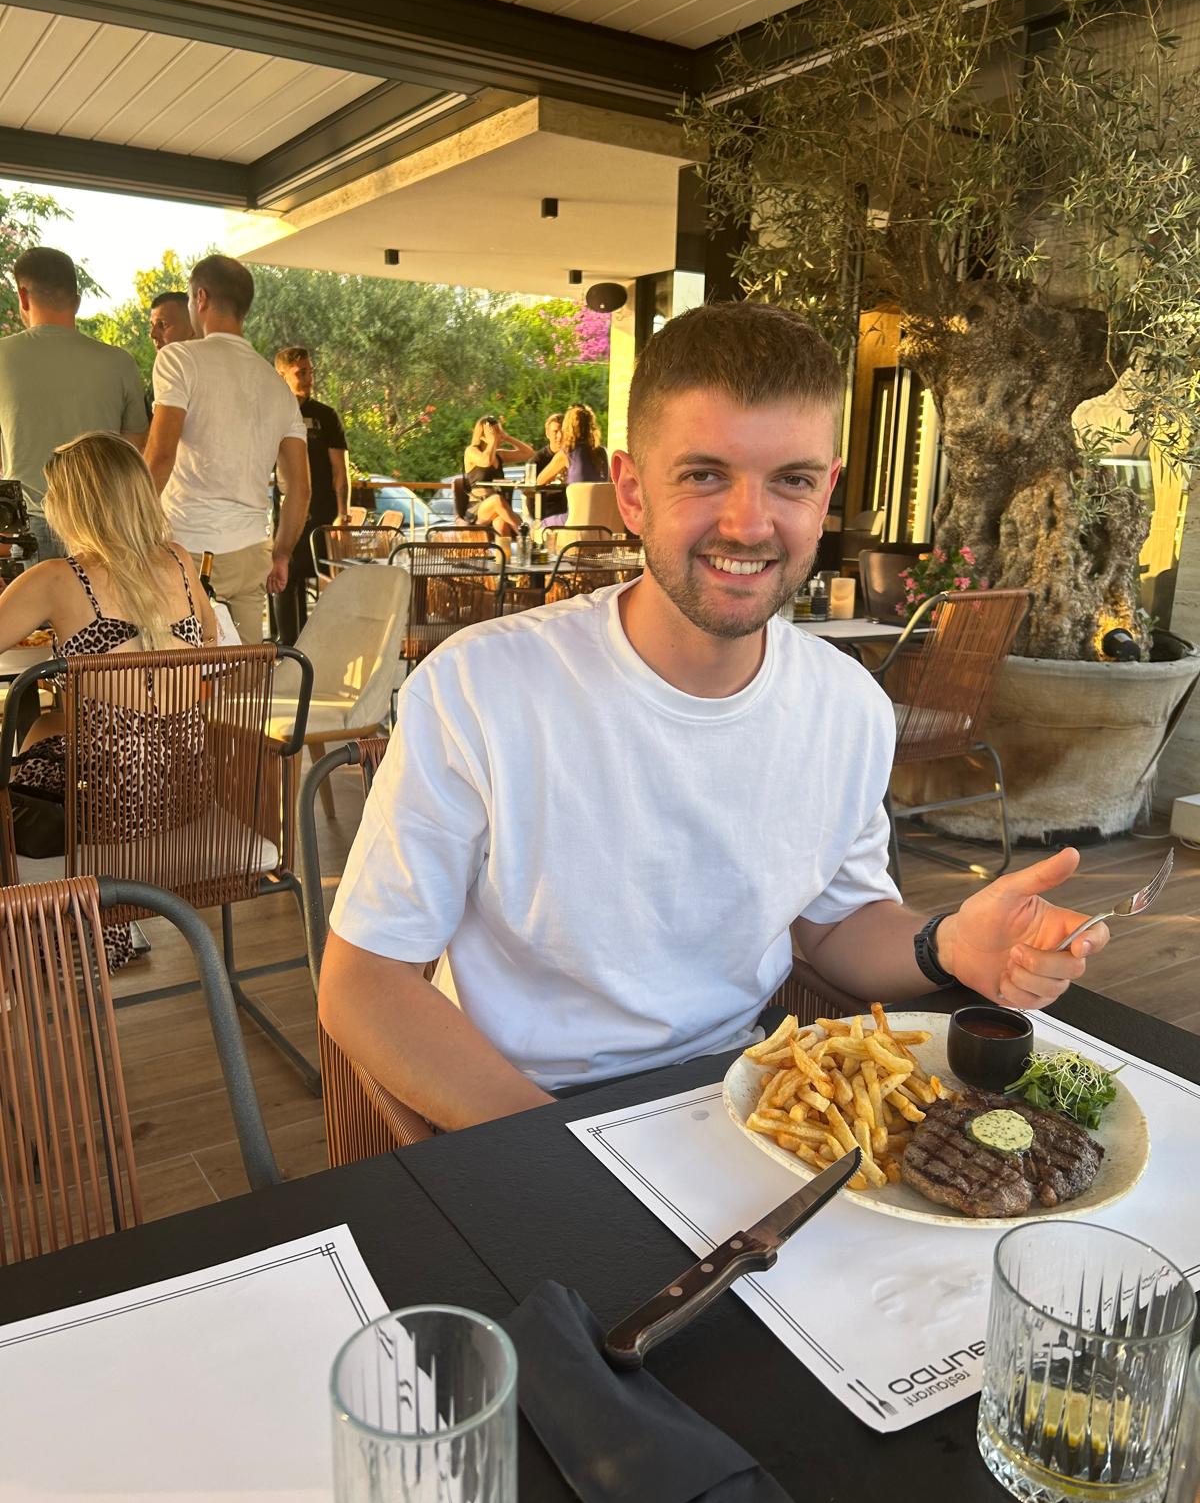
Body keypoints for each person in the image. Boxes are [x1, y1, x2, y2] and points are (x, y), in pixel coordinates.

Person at [320, 302, 1110, 1135]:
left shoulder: (846, 709)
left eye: (792, 480)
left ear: (827, 492)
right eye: (703, 474)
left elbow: (839, 922)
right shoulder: (482, 687)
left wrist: (944, 944)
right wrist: (572, 1163)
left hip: (745, 1100)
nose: (749, 523)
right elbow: (364, 982)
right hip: (521, 1115)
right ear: (631, 490)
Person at [0, 431, 216, 967]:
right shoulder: (181, 560)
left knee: (18, 778)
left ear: (75, 504)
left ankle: (65, 927)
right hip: (187, 792)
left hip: (112, 806)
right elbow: (211, 651)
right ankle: (90, 920)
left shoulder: (56, 577)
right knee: (48, 731)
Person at [144, 255, 310, 644]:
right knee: (244, 687)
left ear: (200, 299)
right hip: (253, 551)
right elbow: (299, 489)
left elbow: (160, 456)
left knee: (183, 684)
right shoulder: (277, 387)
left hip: (189, 548)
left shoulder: (178, 359)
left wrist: (124, 531)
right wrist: (282, 553)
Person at [0, 248, 148, 561]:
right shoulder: (120, 363)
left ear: (23, 297)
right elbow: (133, 447)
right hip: (103, 525)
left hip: (27, 527)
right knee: (101, 610)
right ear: (77, 301)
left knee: (33, 611)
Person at [272, 345, 349, 644]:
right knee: (283, 576)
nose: (308, 377)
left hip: (323, 513)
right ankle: (288, 647)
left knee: (320, 578)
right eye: (300, 372)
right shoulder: (274, 413)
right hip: (286, 512)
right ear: (282, 376)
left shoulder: (326, 416)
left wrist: (343, 513)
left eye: (310, 371)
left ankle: (321, 645)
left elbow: (340, 470)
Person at [533, 402, 609, 529]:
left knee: (536, 527)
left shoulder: (566, 454)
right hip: (601, 522)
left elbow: (539, 481)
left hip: (575, 521)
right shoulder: (602, 453)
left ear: (567, 427)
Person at [461, 415, 533, 537]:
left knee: (501, 523)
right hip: (477, 508)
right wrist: (492, 441)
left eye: (499, 432)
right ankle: (527, 537)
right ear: (483, 435)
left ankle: (505, 555)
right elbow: (486, 461)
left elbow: (529, 453)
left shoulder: (499, 455)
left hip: (497, 506)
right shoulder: (471, 451)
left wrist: (507, 437)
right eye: (494, 432)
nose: (498, 436)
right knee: (497, 500)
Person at [525, 410, 565, 526]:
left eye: (563, 431)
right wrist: (550, 489)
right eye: (555, 431)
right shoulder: (537, 460)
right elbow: (527, 490)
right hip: (545, 511)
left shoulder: (573, 456)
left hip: (569, 509)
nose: (559, 436)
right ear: (547, 434)